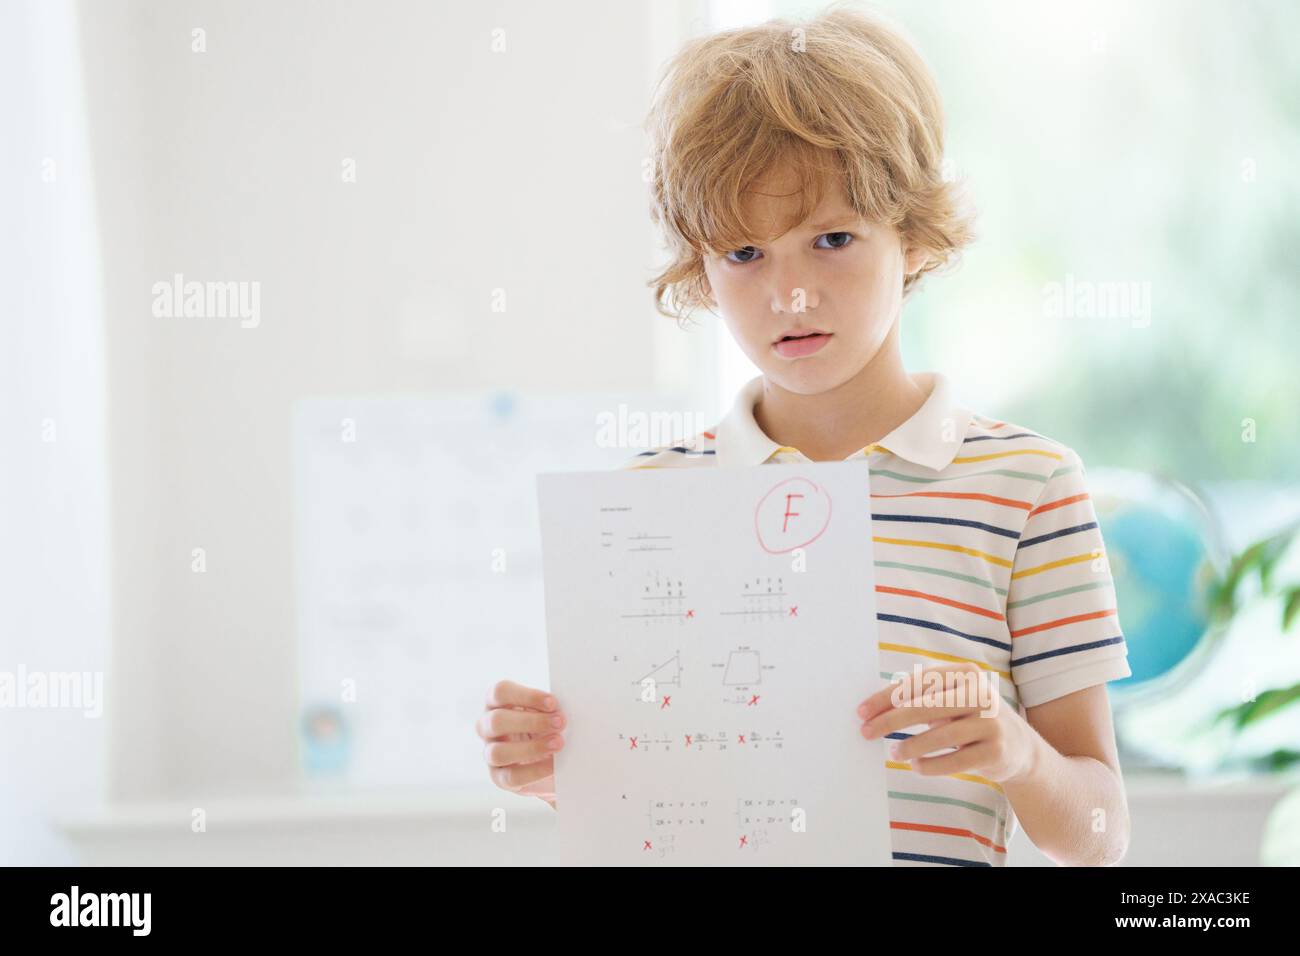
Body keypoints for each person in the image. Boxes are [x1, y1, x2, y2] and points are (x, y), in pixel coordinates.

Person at [477, 5, 1132, 866]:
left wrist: (1016, 751)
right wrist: (557, 766)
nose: (789, 294)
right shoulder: (645, 504)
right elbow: (659, 806)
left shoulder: (1028, 487)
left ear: (915, 237)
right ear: (700, 269)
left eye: (832, 239)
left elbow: (1100, 835)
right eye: (745, 254)